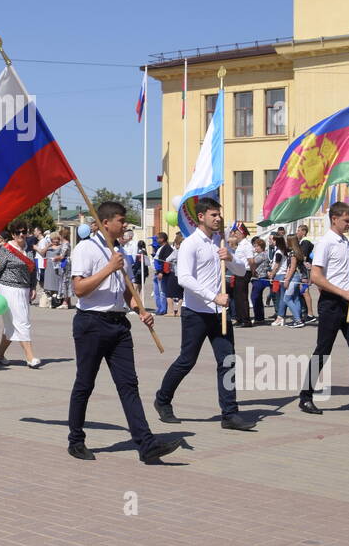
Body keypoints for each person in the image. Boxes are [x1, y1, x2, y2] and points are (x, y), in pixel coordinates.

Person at [67, 201, 181, 463]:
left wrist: (140, 309)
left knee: (129, 385)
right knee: (85, 383)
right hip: (91, 324)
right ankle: (76, 440)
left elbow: (127, 290)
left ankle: (146, 444)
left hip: (118, 325)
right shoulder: (86, 248)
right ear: (106, 222)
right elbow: (80, 289)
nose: (125, 225)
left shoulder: (119, 251)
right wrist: (108, 268)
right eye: (121, 220)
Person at [153, 197, 253, 431]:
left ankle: (229, 414)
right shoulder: (191, 243)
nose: (218, 219)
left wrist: (230, 257)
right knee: (187, 361)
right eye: (213, 215)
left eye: (219, 215)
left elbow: (241, 270)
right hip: (196, 312)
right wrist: (213, 296)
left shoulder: (219, 242)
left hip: (219, 314)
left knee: (227, 361)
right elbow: (184, 278)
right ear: (201, 217)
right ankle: (162, 399)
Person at [299, 203, 349, 418]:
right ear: (334, 219)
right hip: (331, 303)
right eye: (346, 220)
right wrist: (342, 293)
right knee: (323, 350)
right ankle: (306, 396)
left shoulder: (346, 243)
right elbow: (316, 277)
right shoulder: (325, 243)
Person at [0, 225, 40, 368]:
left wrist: (33, 286)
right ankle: (30, 357)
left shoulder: (28, 249)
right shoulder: (6, 249)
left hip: (24, 288)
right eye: (18, 232)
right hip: (8, 288)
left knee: (11, 326)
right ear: (13, 234)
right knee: (22, 321)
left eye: (24, 232)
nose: (21, 234)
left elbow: (32, 269)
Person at [229, 224, 253, 327]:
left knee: (242, 297)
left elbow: (251, 260)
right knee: (237, 296)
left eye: (237, 233)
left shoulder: (246, 245)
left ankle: (246, 320)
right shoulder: (240, 245)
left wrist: (253, 271)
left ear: (242, 233)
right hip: (238, 272)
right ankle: (239, 318)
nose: (235, 235)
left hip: (244, 272)